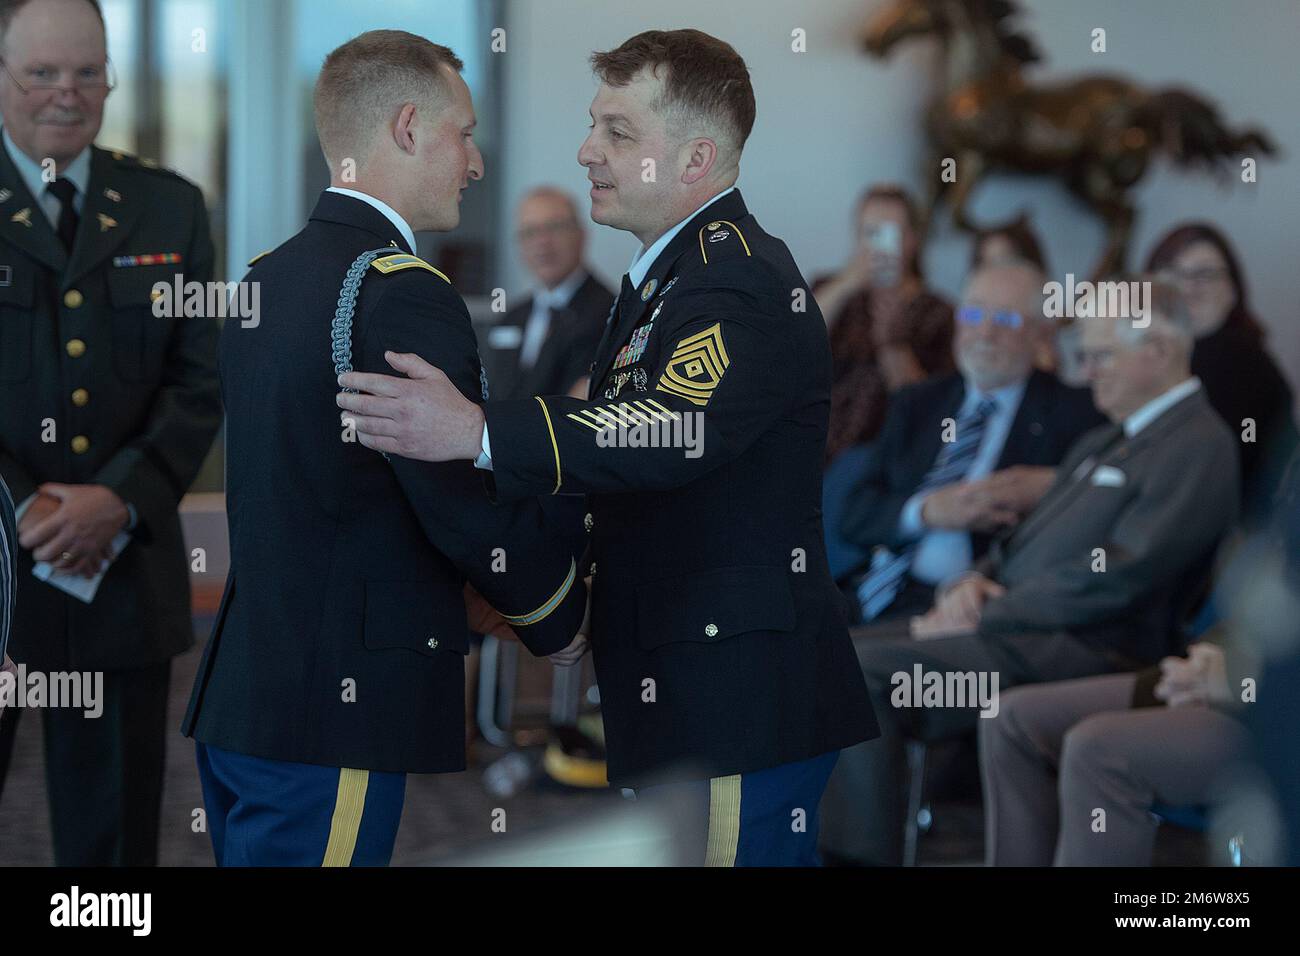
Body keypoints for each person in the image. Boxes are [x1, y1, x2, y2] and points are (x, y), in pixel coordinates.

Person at [338, 28, 878, 866]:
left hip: (736, 697)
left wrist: (477, 429)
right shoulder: (674, 276)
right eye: (595, 125)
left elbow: (669, 432)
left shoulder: (735, 280)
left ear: (695, 160)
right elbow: (620, 473)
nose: (588, 151)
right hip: (685, 678)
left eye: (619, 133)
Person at [181, 31, 586, 867]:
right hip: (337, 706)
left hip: (245, 693)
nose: (474, 163)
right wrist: (557, 613)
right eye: (464, 133)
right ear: (407, 128)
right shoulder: (400, 290)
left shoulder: (265, 276)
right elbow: (454, 502)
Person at [819, 280, 1240, 865]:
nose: (1087, 372)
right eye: (1085, 356)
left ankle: (860, 863)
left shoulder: (1197, 444)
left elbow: (1122, 576)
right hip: (1019, 629)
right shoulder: (1107, 437)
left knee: (858, 671)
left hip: (1086, 646)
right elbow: (1019, 542)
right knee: (828, 651)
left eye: (1101, 356)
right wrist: (970, 583)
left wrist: (993, 608)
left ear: (1160, 351)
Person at [0, 0, 221, 866]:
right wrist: (35, 512)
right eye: (41, 72)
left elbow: (199, 382)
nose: (68, 93)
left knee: (113, 846)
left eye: (88, 72)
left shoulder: (169, 209)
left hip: (122, 570)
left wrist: (118, 502)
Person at [839, 261, 1104, 624]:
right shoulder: (919, 402)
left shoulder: (1076, 414)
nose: (985, 333)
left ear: (1041, 334)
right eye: (974, 313)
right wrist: (927, 511)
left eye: (1007, 321)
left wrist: (1055, 485)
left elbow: (1097, 507)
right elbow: (853, 515)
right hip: (870, 588)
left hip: (968, 608)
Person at [1145, 222, 1297, 526]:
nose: (1188, 288)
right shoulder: (1145, 361)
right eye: (1173, 273)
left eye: (1204, 275)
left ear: (1232, 291)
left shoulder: (1241, 361)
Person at [813, 184, 955, 461]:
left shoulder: (938, 312)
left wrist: (894, 346)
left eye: (890, 234)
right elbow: (791, 346)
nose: (878, 246)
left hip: (886, 453)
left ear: (913, 239)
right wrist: (847, 284)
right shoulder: (830, 288)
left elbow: (928, 406)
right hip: (813, 442)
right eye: (870, 234)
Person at [482, 186, 614, 401]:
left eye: (554, 228)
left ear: (581, 235)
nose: (542, 242)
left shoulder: (610, 312)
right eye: (530, 232)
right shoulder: (511, 315)